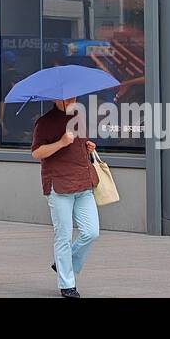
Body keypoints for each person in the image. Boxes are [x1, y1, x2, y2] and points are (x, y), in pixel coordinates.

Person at [31, 95, 100, 298]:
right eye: (68, 97)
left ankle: (63, 262)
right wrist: (61, 142)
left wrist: (89, 147)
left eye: (75, 96)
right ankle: (67, 284)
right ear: (56, 99)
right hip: (59, 185)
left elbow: (79, 145)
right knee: (63, 236)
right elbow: (36, 153)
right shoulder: (44, 123)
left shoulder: (79, 115)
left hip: (83, 182)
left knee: (91, 232)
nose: (73, 100)